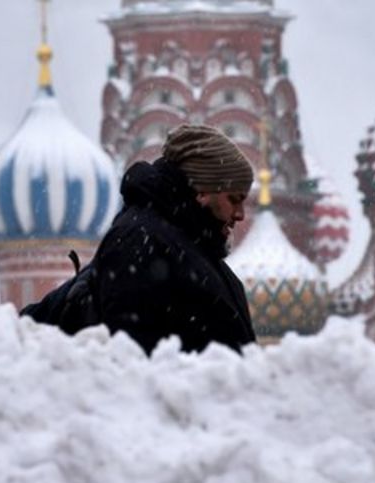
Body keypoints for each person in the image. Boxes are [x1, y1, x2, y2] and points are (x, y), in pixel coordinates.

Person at [93, 124, 256, 354]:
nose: (240, 215)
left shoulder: (198, 249)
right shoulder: (140, 241)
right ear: (202, 190)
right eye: (234, 199)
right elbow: (132, 358)